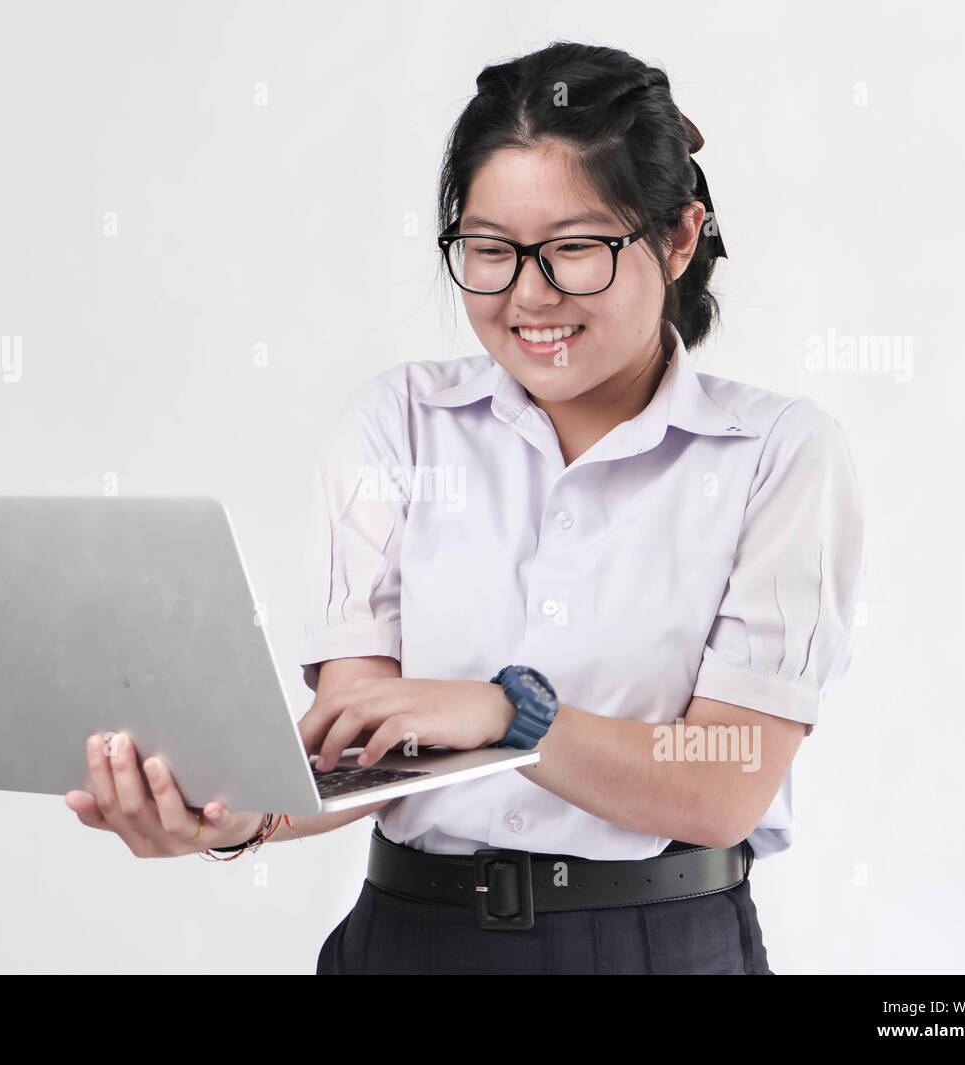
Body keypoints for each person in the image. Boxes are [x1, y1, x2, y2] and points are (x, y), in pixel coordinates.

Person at [65, 40, 865, 975]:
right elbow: (357, 744)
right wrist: (235, 817)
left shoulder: (776, 455)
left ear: (680, 237)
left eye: (575, 249)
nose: (529, 295)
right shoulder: (399, 423)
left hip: (656, 947)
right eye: (488, 251)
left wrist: (509, 714)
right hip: (408, 940)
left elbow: (723, 784)